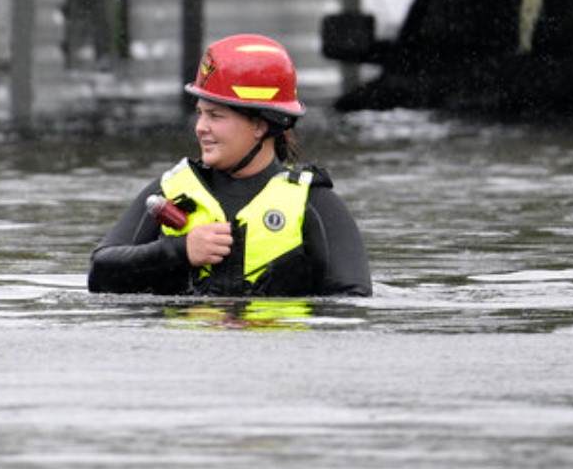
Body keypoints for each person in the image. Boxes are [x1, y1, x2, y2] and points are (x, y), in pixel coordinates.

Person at [88, 33, 372, 297]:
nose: (200, 128)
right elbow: (99, 275)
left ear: (259, 125)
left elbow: (352, 302)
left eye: (215, 116)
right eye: (200, 114)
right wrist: (179, 250)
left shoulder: (315, 203)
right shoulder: (170, 191)